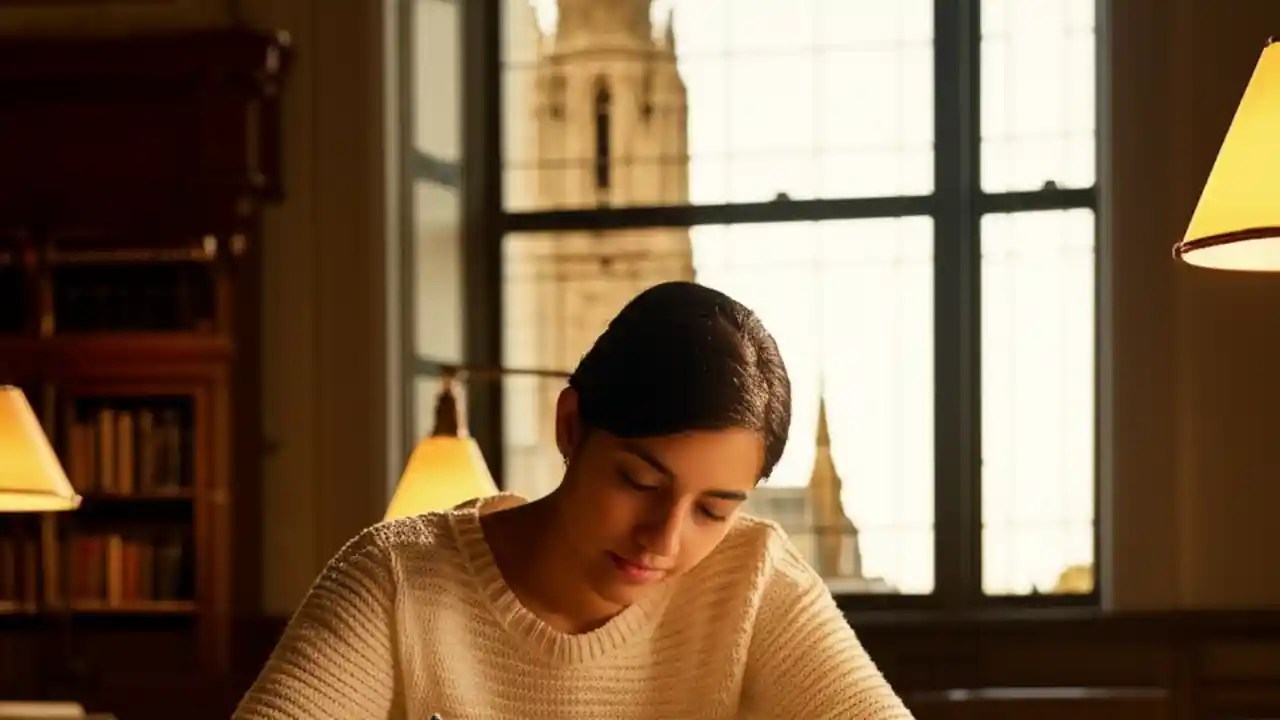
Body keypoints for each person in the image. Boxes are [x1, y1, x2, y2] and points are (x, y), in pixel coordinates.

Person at [234, 281, 913, 719]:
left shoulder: (753, 580)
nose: (662, 539)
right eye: (639, 482)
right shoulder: (396, 578)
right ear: (570, 427)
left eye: (713, 510)